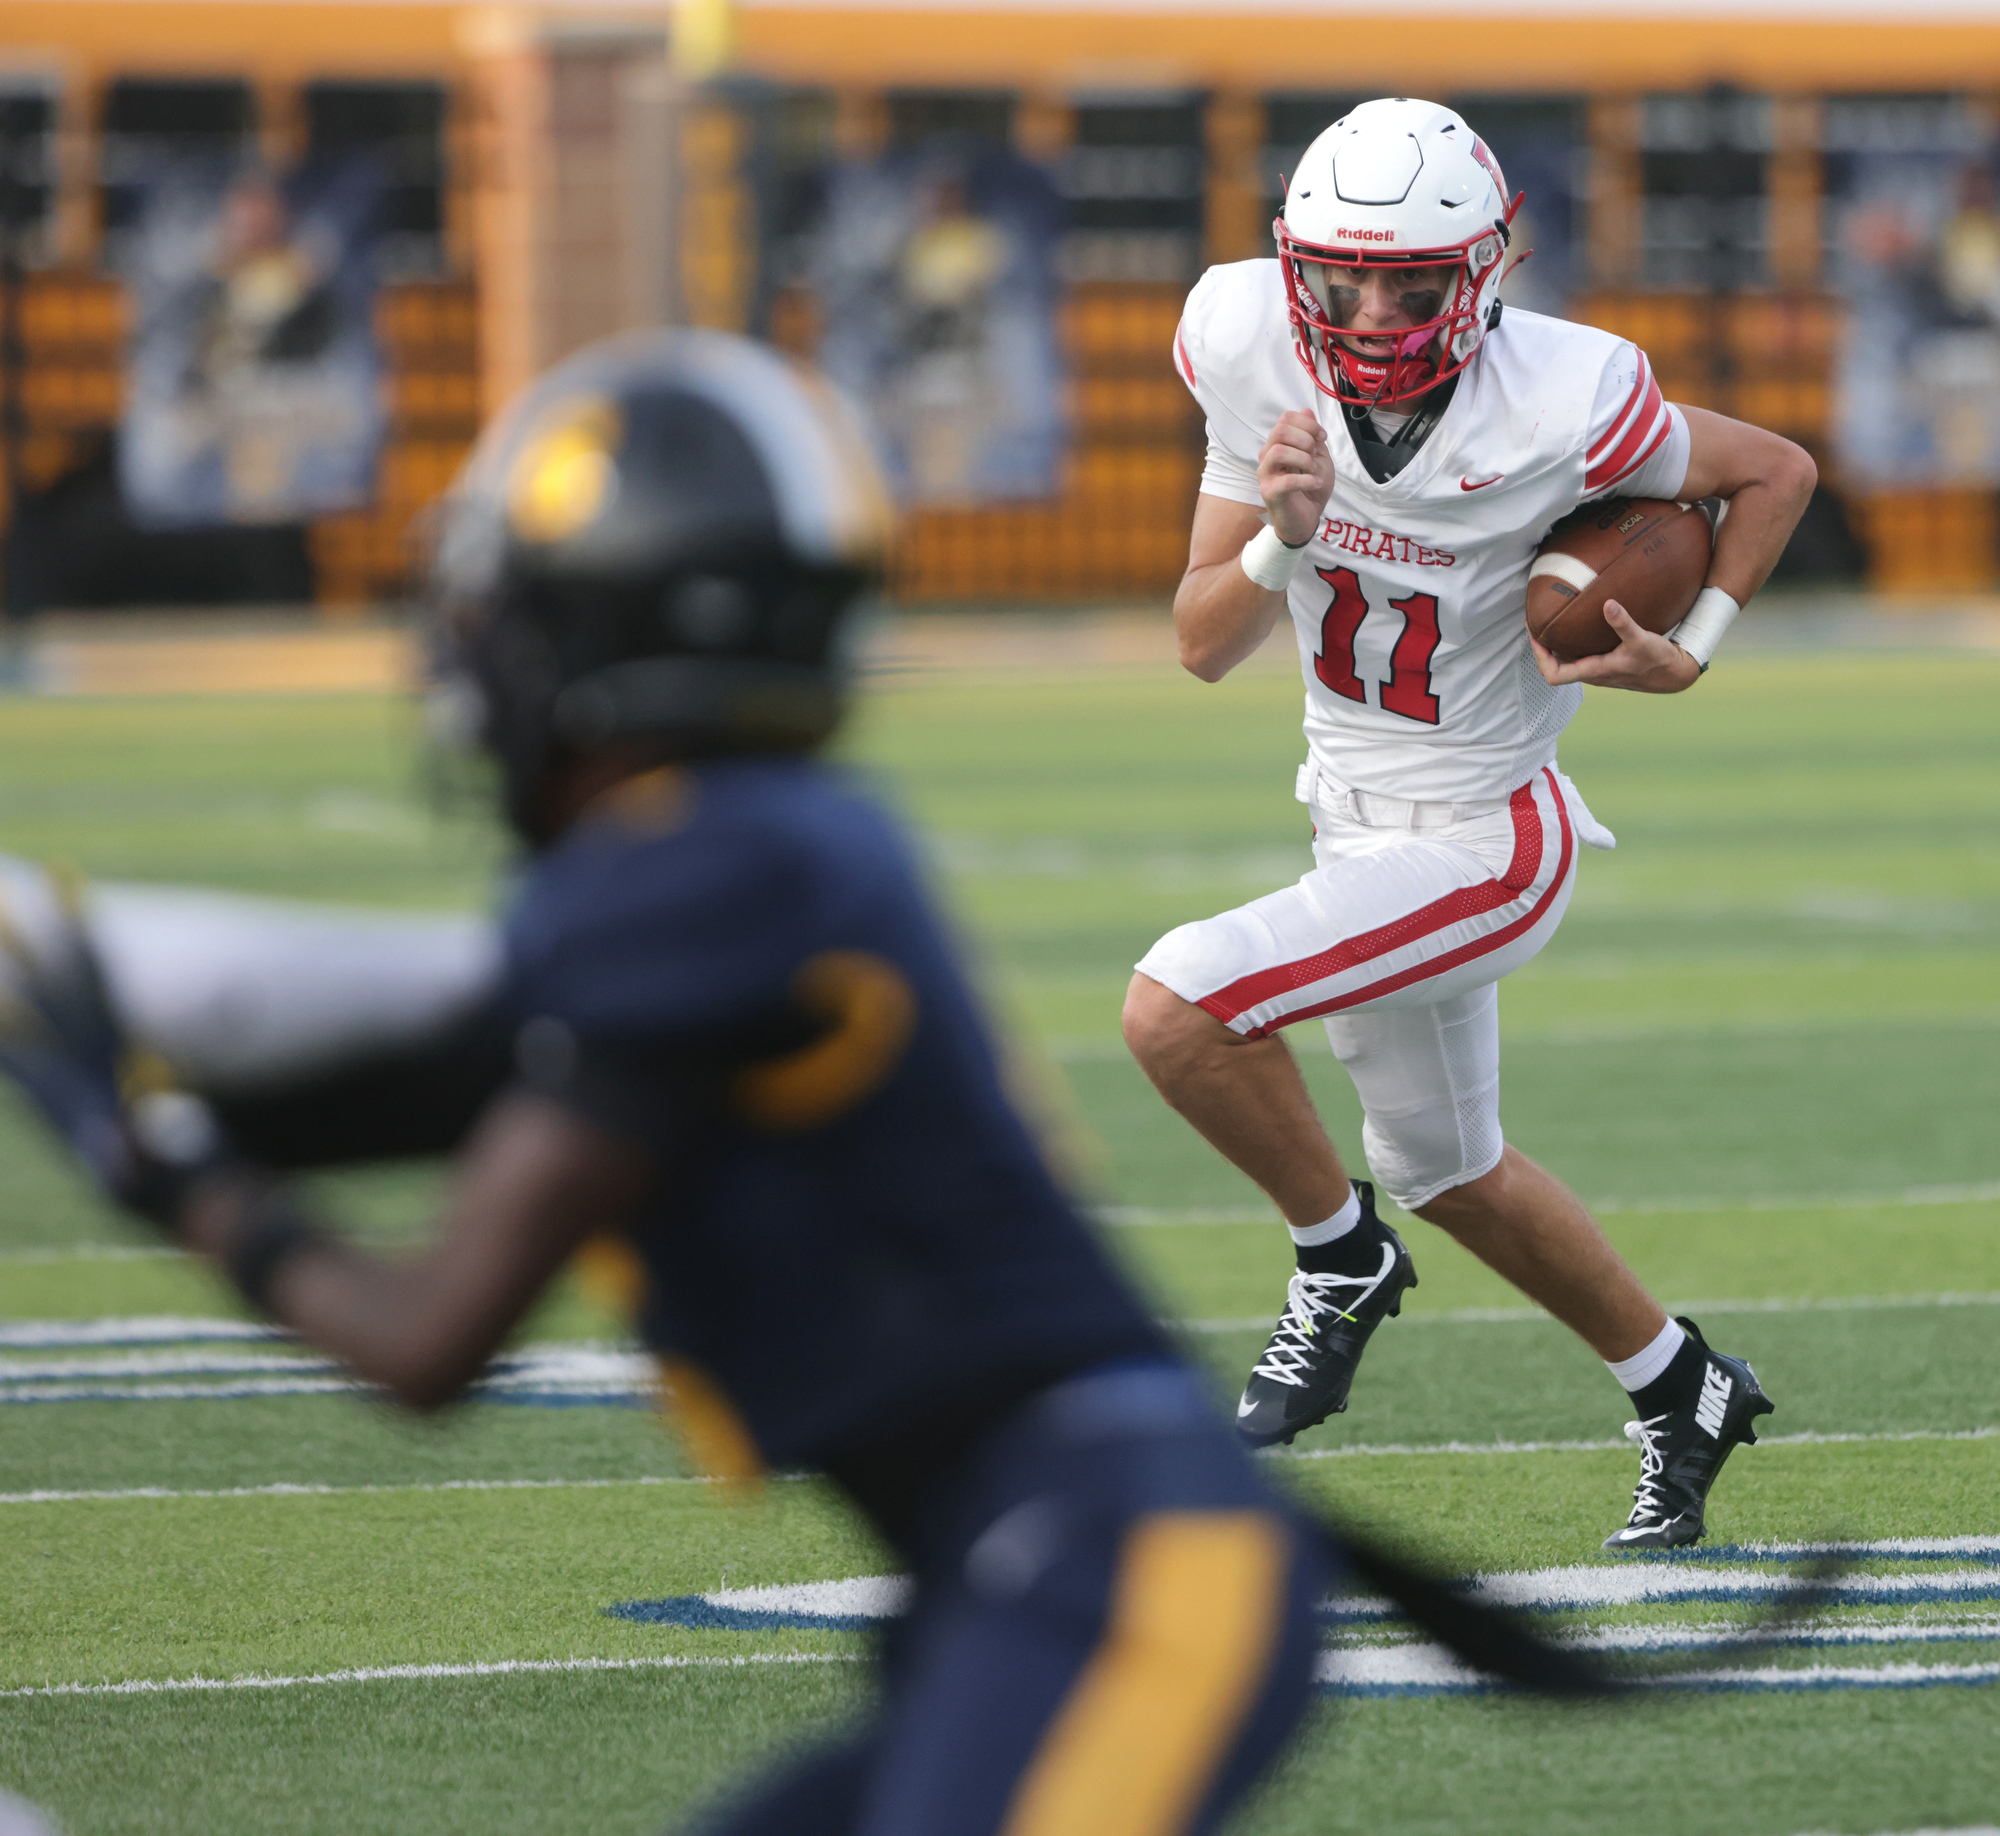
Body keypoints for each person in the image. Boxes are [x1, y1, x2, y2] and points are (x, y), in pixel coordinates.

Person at [0, 330, 1331, 1836]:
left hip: (1114, 1580)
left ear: (591, 625)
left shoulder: (699, 867)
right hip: (1040, 1574)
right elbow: (419, 1066)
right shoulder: (749, 852)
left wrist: (165, 1163)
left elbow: (428, 1338)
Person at [1120, 98, 1816, 1551]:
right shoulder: (1246, 342)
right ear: (1292, 263)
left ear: (1486, 273)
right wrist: (1280, 531)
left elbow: (1775, 471)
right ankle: (1681, 1383)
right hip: (1351, 822)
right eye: (1346, 277)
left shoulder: (1570, 394)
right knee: (1449, 1169)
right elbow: (1196, 641)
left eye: (1415, 282)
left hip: (1492, 832)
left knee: (1178, 1005)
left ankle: (1335, 1258)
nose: (1372, 311)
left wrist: (1699, 641)